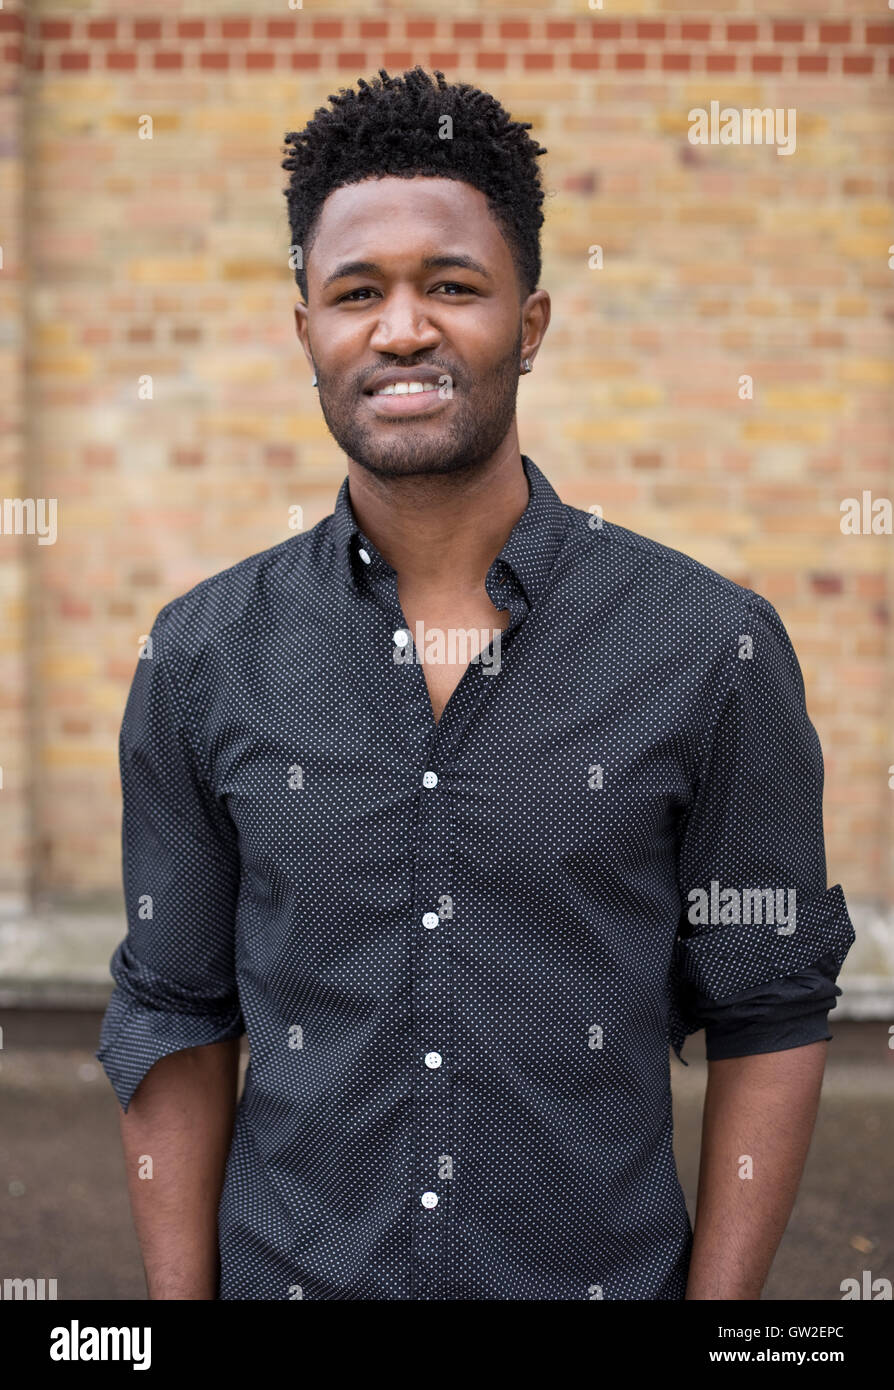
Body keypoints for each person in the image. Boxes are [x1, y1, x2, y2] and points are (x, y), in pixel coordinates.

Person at [96, 67, 855, 1301]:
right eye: (357, 293)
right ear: (306, 331)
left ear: (532, 324)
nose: (402, 330)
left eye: (451, 285)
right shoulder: (200, 656)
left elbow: (769, 1009)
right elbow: (176, 1012)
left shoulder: (710, 647)